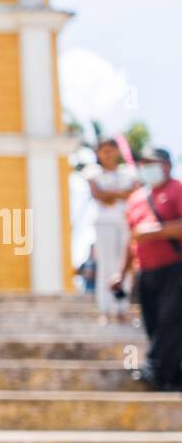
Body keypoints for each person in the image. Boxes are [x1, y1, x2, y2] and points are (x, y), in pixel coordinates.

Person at [114, 147, 182, 391]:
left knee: (171, 319)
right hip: (146, 272)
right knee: (153, 324)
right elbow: (131, 240)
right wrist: (120, 274)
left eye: (152, 163)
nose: (147, 168)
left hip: (175, 268)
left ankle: (153, 367)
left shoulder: (177, 190)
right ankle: (172, 378)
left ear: (166, 166)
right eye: (144, 163)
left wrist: (156, 231)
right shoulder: (136, 198)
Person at [86, 138, 138, 324]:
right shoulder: (93, 172)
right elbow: (99, 195)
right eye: (104, 151)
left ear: (117, 151)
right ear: (98, 153)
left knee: (124, 266)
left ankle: (122, 308)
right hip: (104, 224)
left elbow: (134, 193)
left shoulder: (129, 172)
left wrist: (110, 193)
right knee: (106, 265)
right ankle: (105, 309)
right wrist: (120, 193)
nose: (108, 154)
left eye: (111, 150)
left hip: (125, 222)